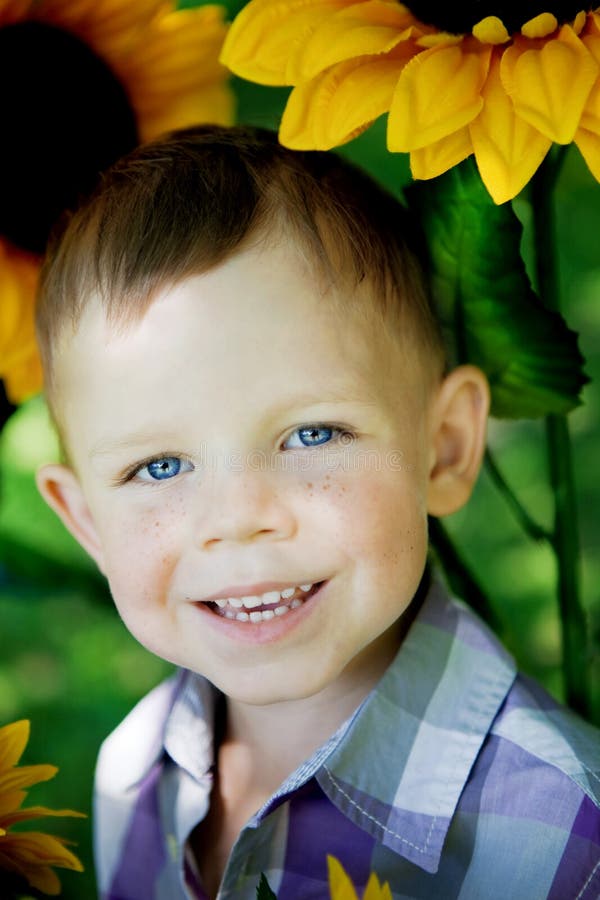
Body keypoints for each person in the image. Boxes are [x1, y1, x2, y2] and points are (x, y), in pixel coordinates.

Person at [35, 125, 600, 900]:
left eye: (311, 434)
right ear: (87, 522)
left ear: (444, 448)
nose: (237, 518)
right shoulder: (129, 777)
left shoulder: (563, 838)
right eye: (158, 466)